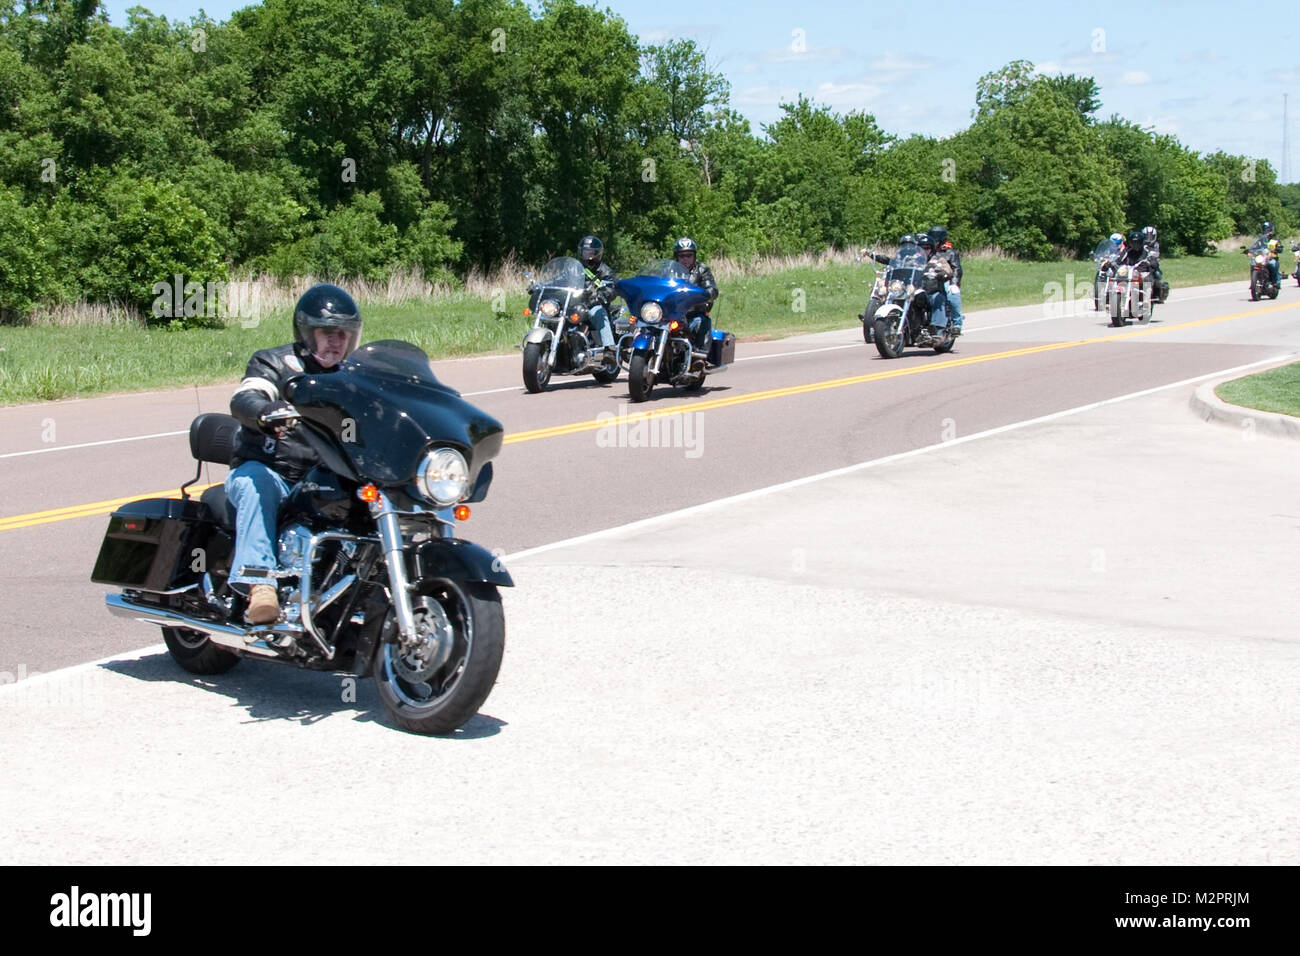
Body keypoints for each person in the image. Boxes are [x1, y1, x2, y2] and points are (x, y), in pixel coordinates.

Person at [226, 283, 363, 625]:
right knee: (258, 484)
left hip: (322, 475)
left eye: (343, 334)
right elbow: (247, 395)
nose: (336, 341)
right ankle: (260, 585)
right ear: (306, 333)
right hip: (270, 469)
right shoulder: (273, 362)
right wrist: (262, 410)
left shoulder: (356, 375)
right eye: (327, 333)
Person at [672, 237, 719, 351]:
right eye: (682, 256)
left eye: (689, 255)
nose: (685, 259)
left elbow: (711, 288)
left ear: (694, 256)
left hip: (693, 313)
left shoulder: (702, 270)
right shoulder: (670, 270)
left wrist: (707, 294)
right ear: (676, 257)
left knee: (702, 321)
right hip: (671, 313)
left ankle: (700, 354)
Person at [578, 235, 618, 349]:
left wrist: (602, 295)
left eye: (591, 252)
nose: (588, 255)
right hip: (575, 304)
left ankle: (609, 348)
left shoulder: (605, 271)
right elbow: (563, 278)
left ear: (597, 253)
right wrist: (545, 285)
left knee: (599, 312)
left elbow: (611, 288)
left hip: (593, 304)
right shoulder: (576, 268)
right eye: (585, 252)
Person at [927, 226, 963, 332]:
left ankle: (957, 324)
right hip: (927, 280)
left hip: (945, 280)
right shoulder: (927, 251)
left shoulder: (950, 253)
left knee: (952, 293)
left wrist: (954, 283)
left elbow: (957, 269)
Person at [1141, 225, 1168, 302]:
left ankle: (1157, 292)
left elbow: (1156, 254)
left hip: (1152, 264)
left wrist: (1152, 257)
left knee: (1157, 274)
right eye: (1146, 236)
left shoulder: (1155, 245)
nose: (1148, 238)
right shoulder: (1140, 244)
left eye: (1150, 236)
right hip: (1141, 264)